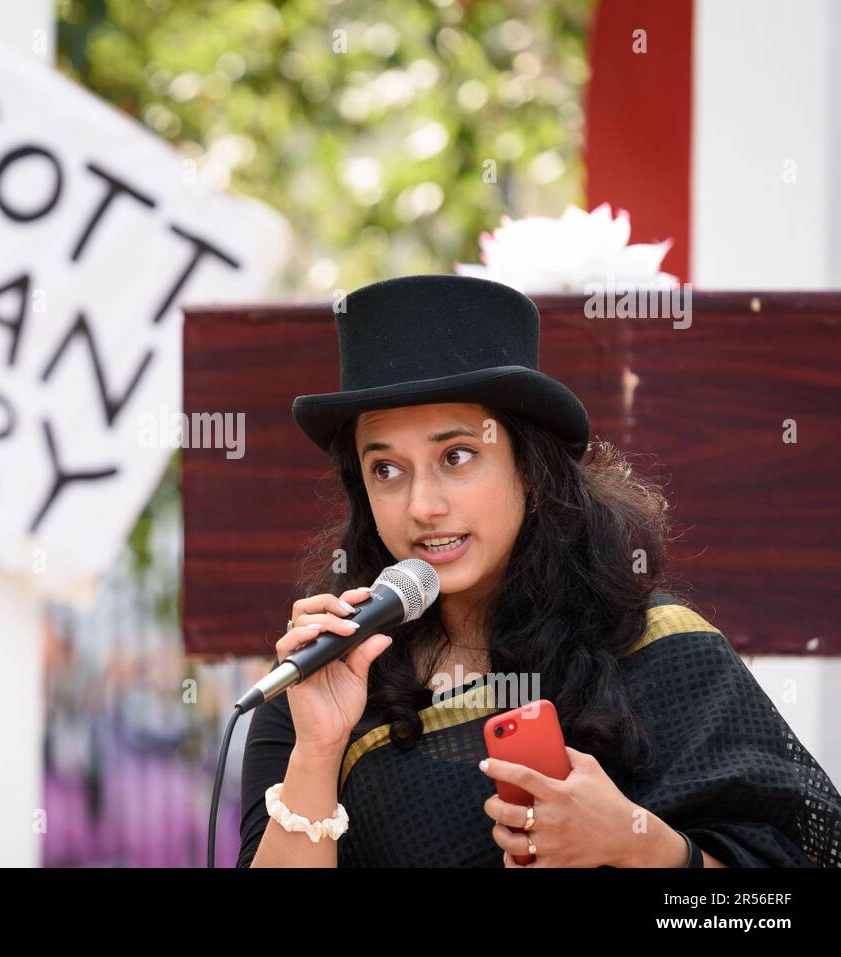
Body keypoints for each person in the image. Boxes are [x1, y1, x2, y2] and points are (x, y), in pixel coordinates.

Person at [237, 274, 841, 868]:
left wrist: (641, 847)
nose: (422, 506)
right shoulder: (324, 670)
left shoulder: (657, 648)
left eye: (457, 456)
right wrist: (318, 750)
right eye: (386, 470)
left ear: (531, 465)